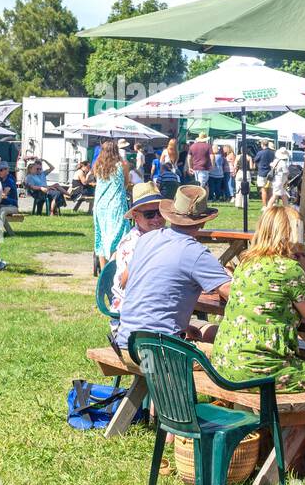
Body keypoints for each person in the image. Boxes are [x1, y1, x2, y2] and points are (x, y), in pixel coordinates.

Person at [212, 203, 305, 401]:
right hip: (258, 372)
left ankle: (271, 431)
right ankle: (294, 433)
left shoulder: (246, 263)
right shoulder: (289, 269)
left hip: (224, 364)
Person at [113, 184, 232, 351]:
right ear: (203, 222)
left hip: (127, 340)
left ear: (170, 215)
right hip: (160, 351)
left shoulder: (147, 239)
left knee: (209, 331)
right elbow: (234, 293)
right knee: (235, 352)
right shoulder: (195, 252)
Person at [111, 183, 166, 316]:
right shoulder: (133, 243)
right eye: (149, 214)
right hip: (133, 316)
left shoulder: (162, 235)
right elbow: (136, 285)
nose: (157, 218)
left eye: (160, 212)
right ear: (135, 216)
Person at [92, 139, 131, 270]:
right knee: (119, 235)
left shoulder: (97, 165)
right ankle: (113, 267)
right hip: (116, 204)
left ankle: (103, 272)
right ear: (116, 150)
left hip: (100, 205)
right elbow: (126, 183)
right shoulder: (122, 165)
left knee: (102, 235)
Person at [0, 161, 20, 236]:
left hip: (12, 206)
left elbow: (4, 194)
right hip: (3, 205)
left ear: (7, 170)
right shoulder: (1, 180)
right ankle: (11, 234)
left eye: (1, 170)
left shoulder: (10, 179)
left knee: (2, 211)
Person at [254, 140, 276, 206]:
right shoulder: (273, 153)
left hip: (262, 173)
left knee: (263, 190)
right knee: (270, 190)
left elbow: (255, 160)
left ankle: (264, 205)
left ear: (262, 144)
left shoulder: (260, 153)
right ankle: (270, 205)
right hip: (271, 173)